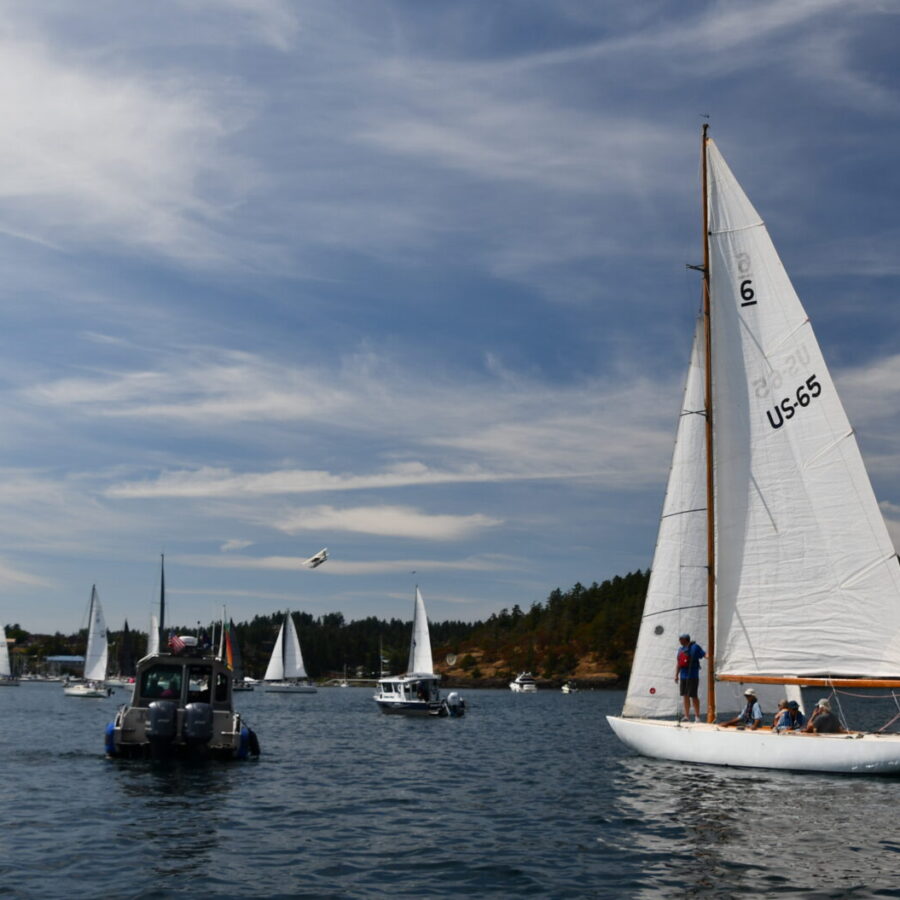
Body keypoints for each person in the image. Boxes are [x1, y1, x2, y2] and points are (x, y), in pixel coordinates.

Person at [674, 633, 705, 721]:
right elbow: (679, 663)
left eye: (681, 639)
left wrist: (710, 658)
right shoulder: (680, 650)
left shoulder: (695, 647)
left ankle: (697, 717)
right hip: (683, 676)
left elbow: (703, 654)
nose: (679, 640)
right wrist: (676, 675)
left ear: (685, 639)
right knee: (685, 695)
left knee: (693, 696)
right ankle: (686, 716)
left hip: (693, 675)